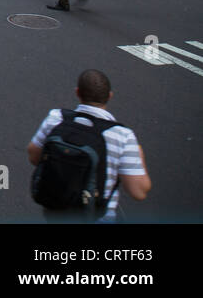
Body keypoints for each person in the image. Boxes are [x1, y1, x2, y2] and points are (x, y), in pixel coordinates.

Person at [27, 69, 150, 222]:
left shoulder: (56, 118)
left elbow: (33, 156)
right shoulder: (122, 136)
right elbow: (138, 192)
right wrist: (139, 154)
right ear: (110, 96)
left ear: (77, 93)